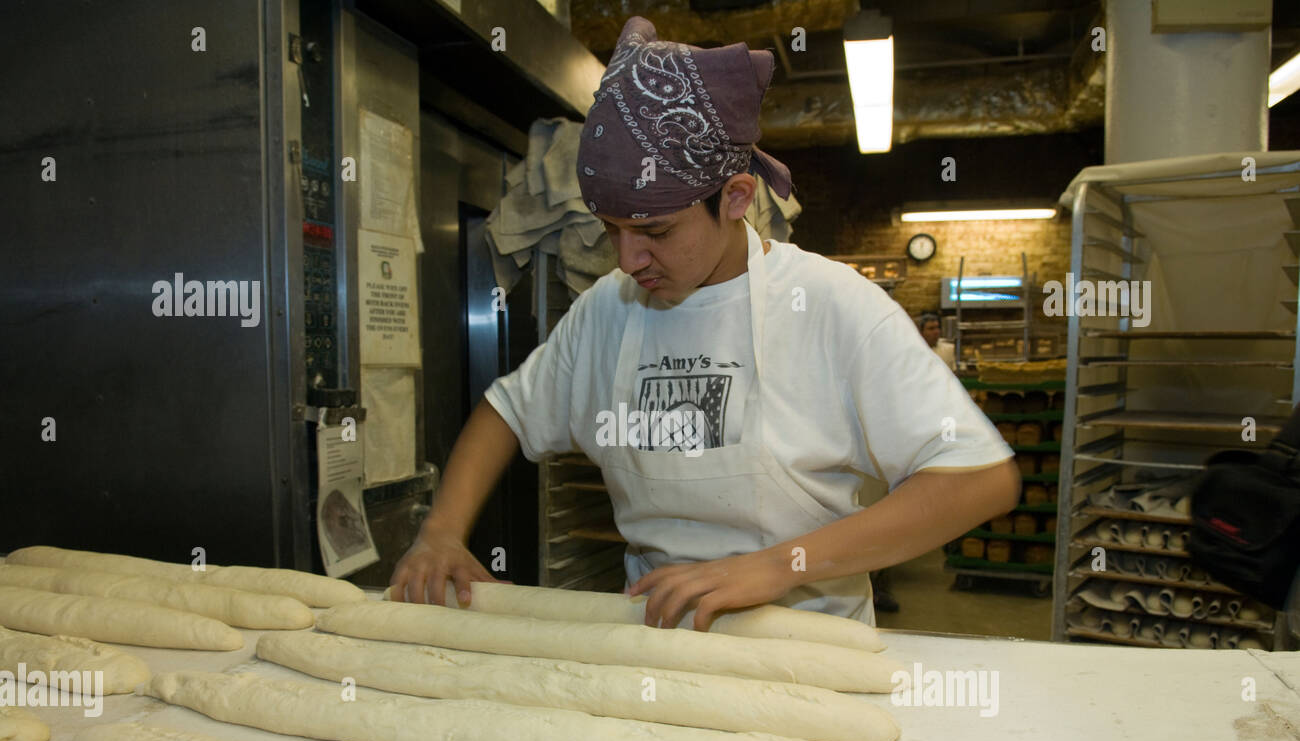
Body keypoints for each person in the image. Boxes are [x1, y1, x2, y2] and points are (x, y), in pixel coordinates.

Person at [390, 16, 1019, 629]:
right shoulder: (607, 311)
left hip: (808, 647)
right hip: (660, 638)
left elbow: (979, 480)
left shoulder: (832, 305)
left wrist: (780, 565)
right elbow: (506, 413)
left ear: (737, 198)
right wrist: (441, 532)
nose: (627, 259)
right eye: (611, 230)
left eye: (654, 230)